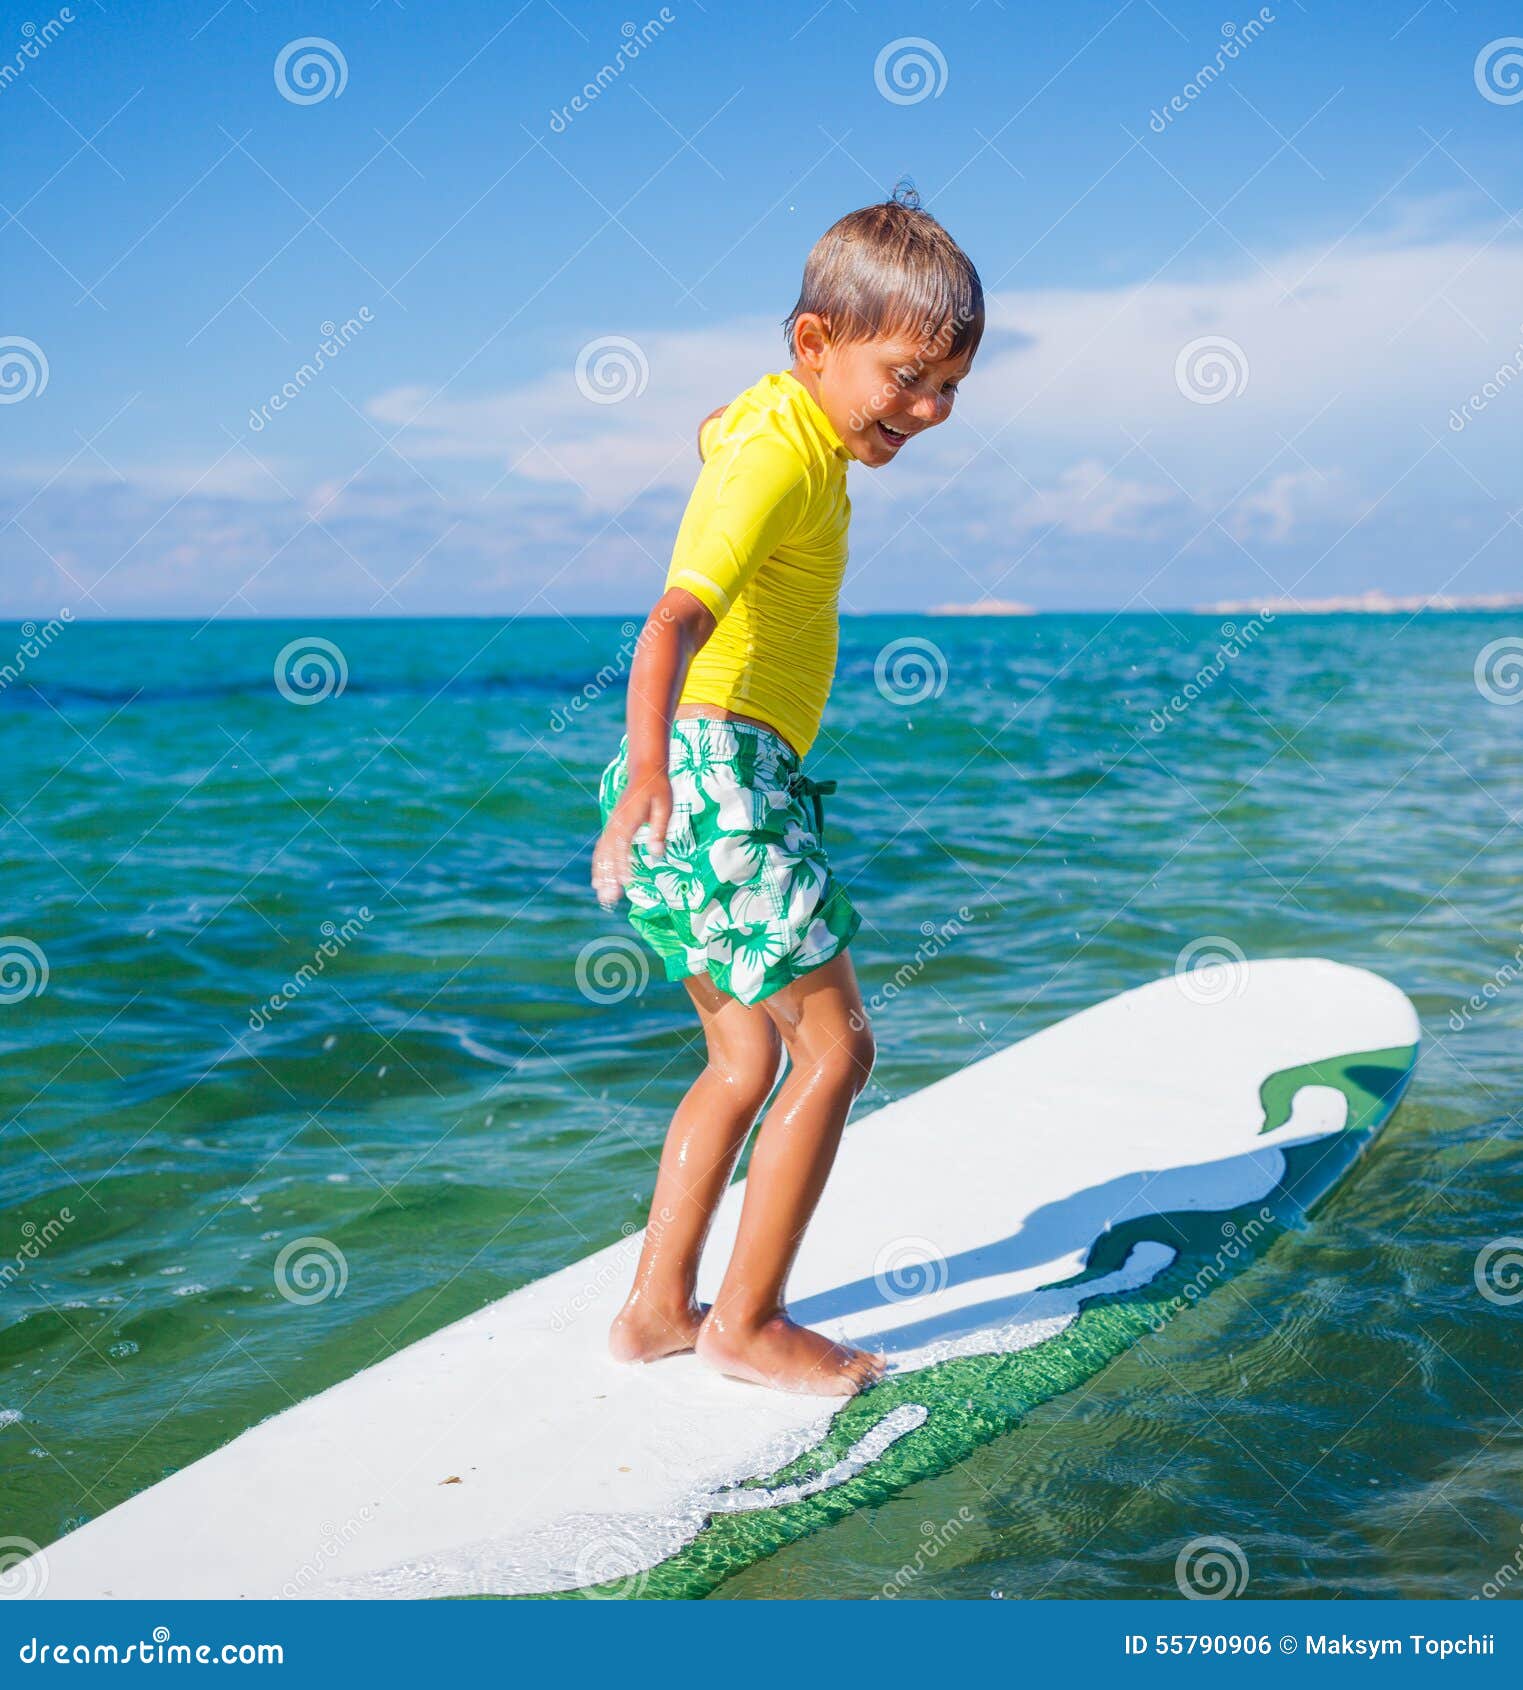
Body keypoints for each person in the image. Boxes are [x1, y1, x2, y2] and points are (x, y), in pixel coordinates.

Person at [591, 187, 983, 1395]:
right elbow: (670, 621)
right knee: (837, 1051)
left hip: (705, 779)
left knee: (741, 1062)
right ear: (814, 343)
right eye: (906, 376)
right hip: (719, 776)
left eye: (948, 389)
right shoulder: (780, 450)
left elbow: (733, 429)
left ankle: (658, 1306)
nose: (923, 410)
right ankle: (745, 1322)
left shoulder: (779, 431)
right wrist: (651, 773)